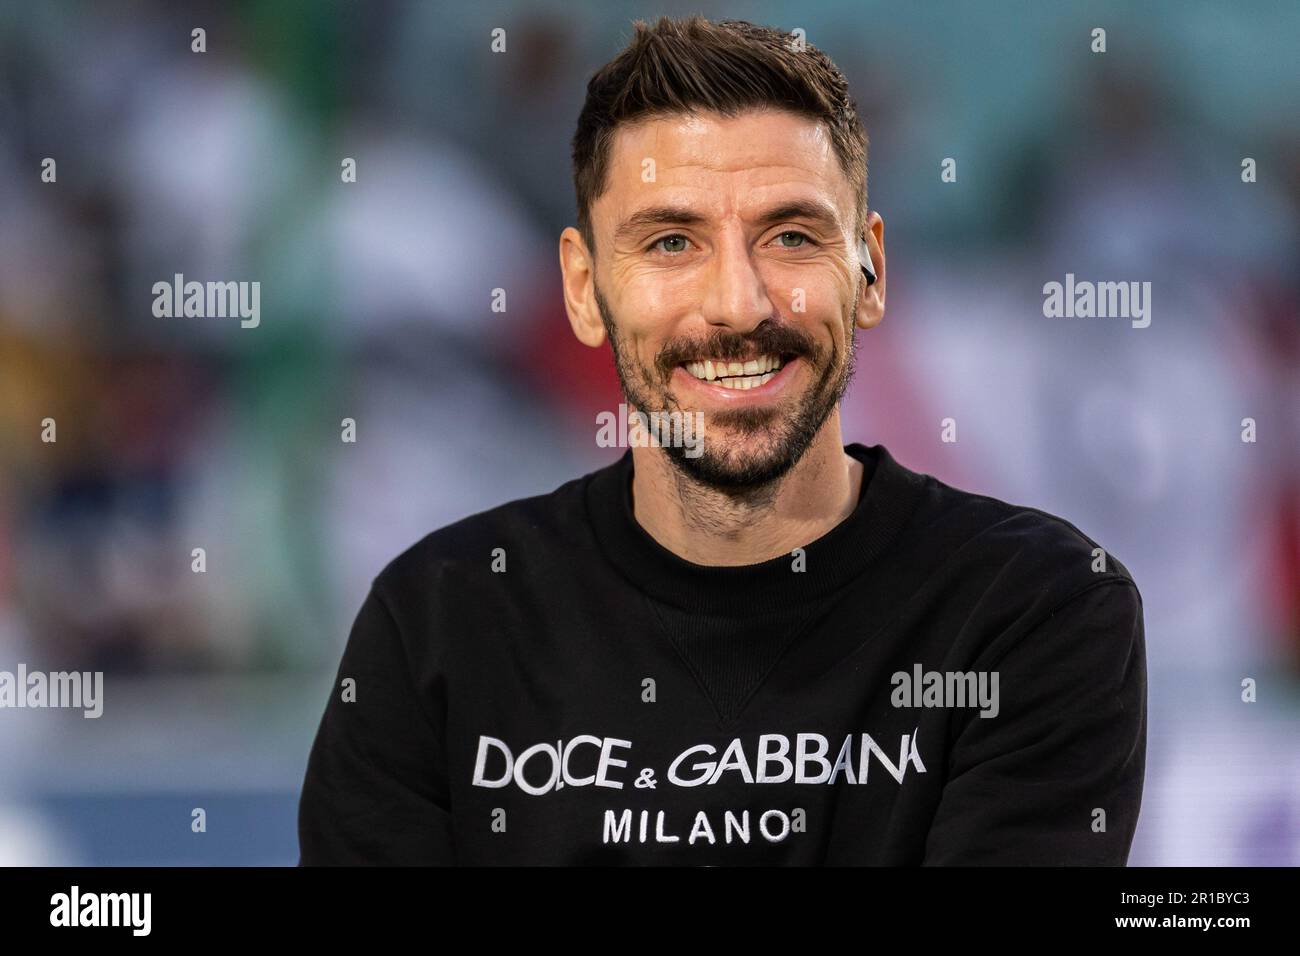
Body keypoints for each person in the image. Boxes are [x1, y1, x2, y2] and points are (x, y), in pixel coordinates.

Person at [298, 15, 1146, 865]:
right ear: (586, 291)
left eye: (790, 237)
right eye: (672, 242)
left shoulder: (1033, 609)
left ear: (869, 273)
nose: (739, 305)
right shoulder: (439, 622)